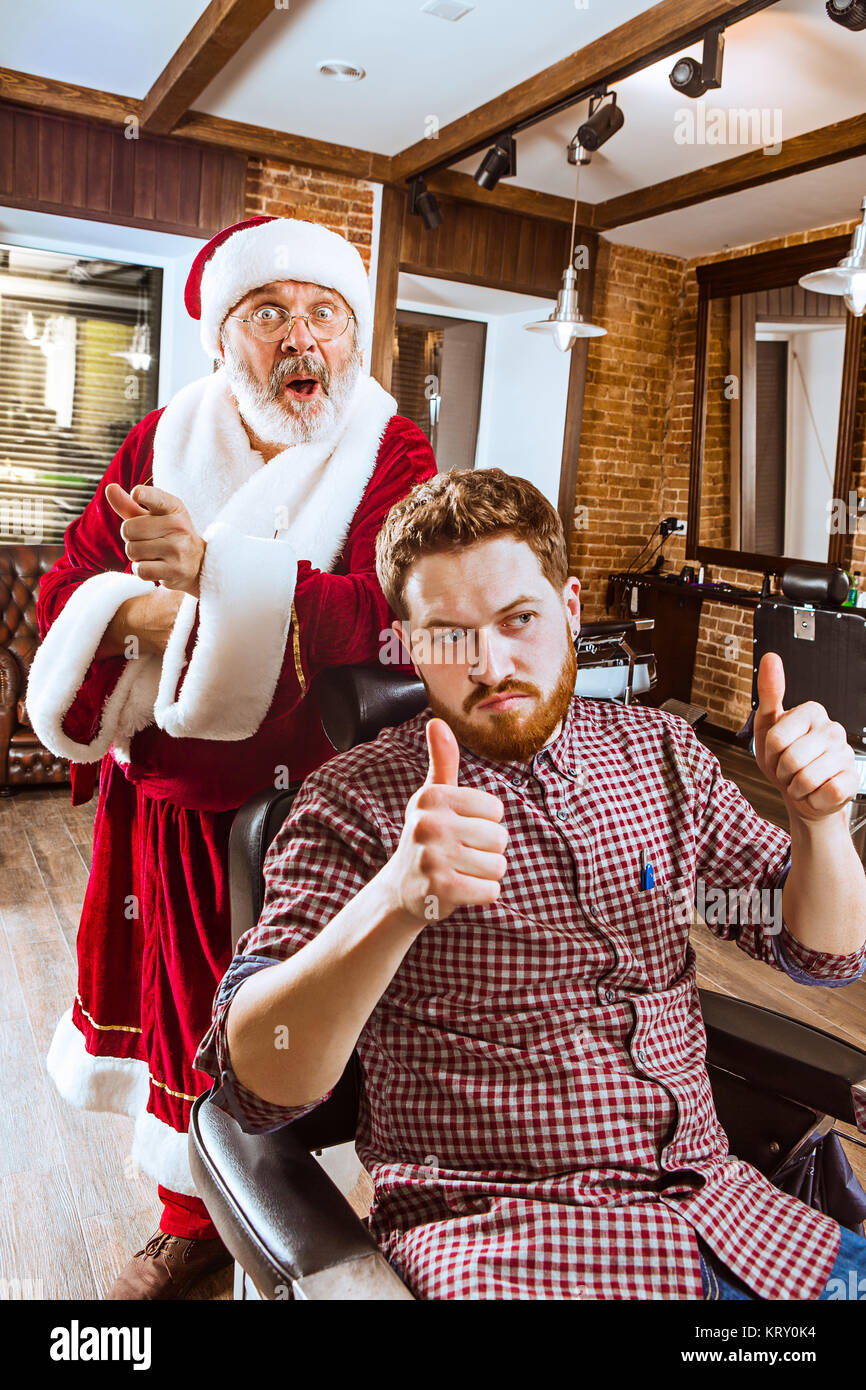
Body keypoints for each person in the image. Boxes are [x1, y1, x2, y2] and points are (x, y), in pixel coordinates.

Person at [197, 467, 866, 1300]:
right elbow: (257, 1086)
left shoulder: (664, 754)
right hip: (510, 1247)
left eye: (520, 619)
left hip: (732, 1221)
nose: (492, 665)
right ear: (407, 644)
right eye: (448, 635)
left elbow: (824, 957)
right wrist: (394, 901)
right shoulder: (352, 803)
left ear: (572, 610)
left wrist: (822, 821)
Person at [25, 215, 436, 1299]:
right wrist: (135, 609)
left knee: (296, 1012)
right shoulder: (162, 436)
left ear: (352, 337)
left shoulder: (392, 451)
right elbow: (68, 584)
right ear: (222, 336)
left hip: (307, 799)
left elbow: (391, 612)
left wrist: (200, 587)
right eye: (270, 314)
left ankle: (310, 1203)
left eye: (325, 315)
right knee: (170, 1004)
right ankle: (186, 1216)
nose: (302, 340)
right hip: (160, 790)